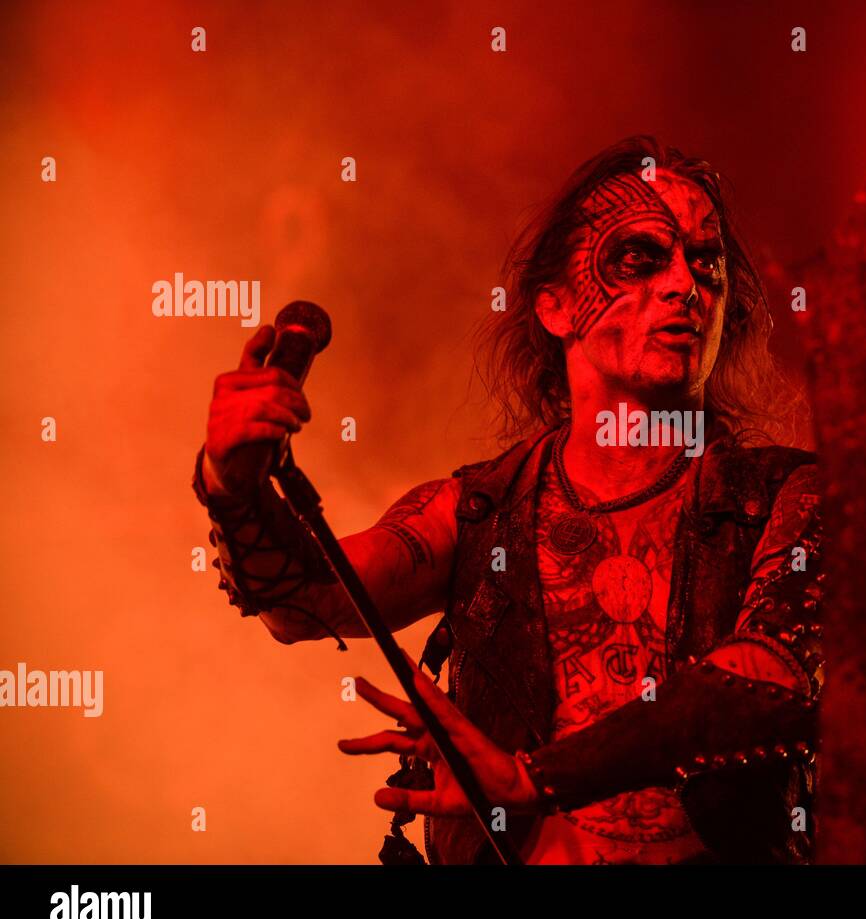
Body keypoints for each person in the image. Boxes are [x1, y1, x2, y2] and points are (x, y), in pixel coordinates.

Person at [193, 136, 825, 864]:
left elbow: (765, 681)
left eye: (705, 261)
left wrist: (530, 777)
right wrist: (228, 483)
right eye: (641, 258)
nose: (686, 284)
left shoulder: (787, 496)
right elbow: (304, 599)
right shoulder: (477, 511)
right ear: (555, 306)